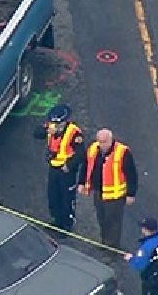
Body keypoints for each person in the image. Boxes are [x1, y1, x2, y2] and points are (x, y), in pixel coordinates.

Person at [78, 128, 138, 253]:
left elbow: (132, 174)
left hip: (115, 197)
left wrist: (131, 194)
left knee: (113, 223)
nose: (102, 144)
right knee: (102, 219)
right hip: (99, 192)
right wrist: (81, 182)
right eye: (100, 141)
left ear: (111, 140)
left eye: (104, 141)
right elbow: (86, 165)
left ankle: (113, 249)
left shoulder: (122, 152)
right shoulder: (93, 148)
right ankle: (105, 242)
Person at [33, 104, 84, 234]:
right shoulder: (51, 126)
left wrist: (69, 165)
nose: (56, 126)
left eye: (58, 123)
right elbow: (36, 134)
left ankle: (67, 225)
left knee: (66, 198)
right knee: (53, 195)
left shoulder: (74, 133)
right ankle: (57, 220)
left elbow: (80, 154)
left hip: (66, 171)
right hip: (54, 167)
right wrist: (46, 131)